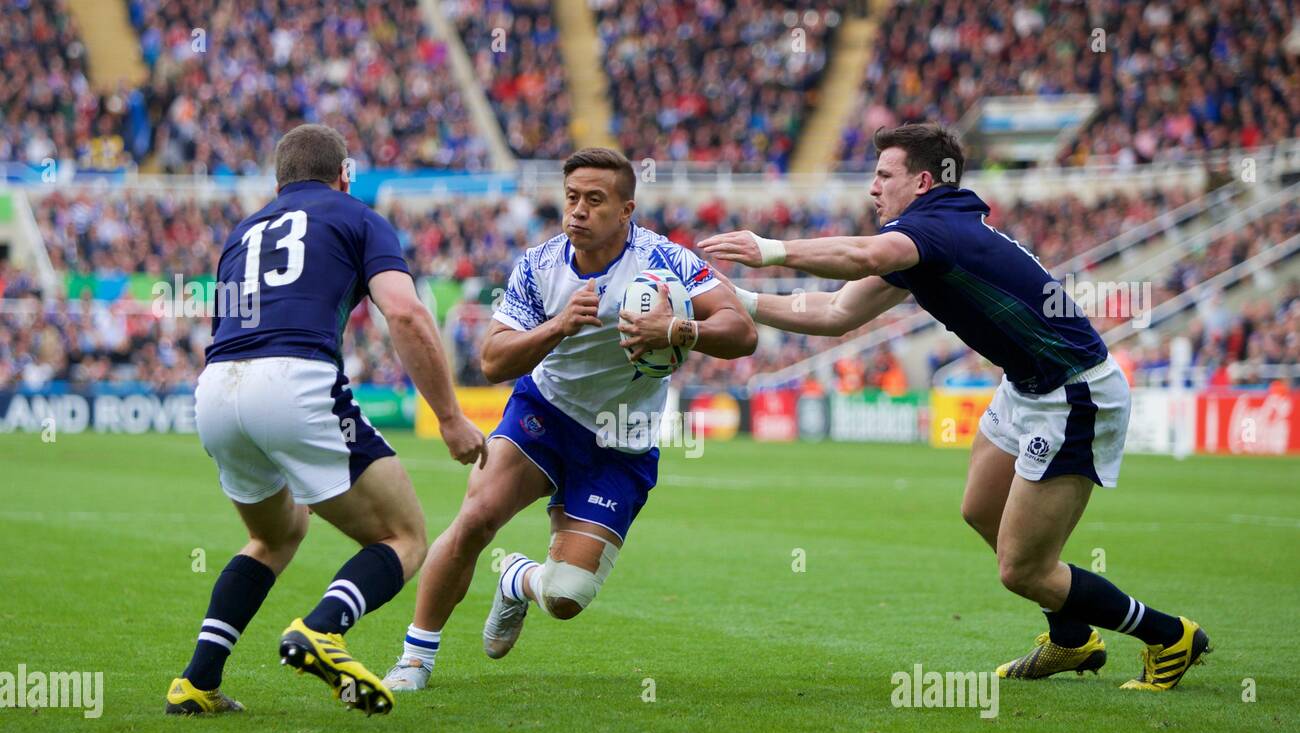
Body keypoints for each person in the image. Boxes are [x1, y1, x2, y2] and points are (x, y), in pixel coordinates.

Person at [700, 123, 1211, 691]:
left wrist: (770, 250)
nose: (872, 188)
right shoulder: (930, 237)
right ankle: (1072, 639)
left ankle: (1170, 636)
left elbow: (860, 253)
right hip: (1027, 386)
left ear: (922, 181)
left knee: (1022, 570)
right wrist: (738, 299)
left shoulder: (931, 229)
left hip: (1073, 393)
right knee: (979, 509)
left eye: (882, 175)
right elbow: (835, 313)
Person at [382, 148, 756, 690]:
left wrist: (678, 330)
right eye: (572, 198)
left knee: (565, 598)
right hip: (547, 414)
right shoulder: (539, 264)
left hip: (623, 440)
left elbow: (742, 330)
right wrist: (558, 326)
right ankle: (415, 659)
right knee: (476, 518)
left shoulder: (667, 259)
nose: (578, 211)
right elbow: (492, 361)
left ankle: (516, 580)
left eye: (595, 200)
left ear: (626, 210)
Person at [166, 124, 485, 716]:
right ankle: (323, 630)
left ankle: (196, 682)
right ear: (345, 173)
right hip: (293, 382)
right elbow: (407, 314)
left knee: (275, 533)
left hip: (216, 389)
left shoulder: (242, 231)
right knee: (406, 537)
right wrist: (448, 417)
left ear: (279, 180)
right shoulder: (357, 216)